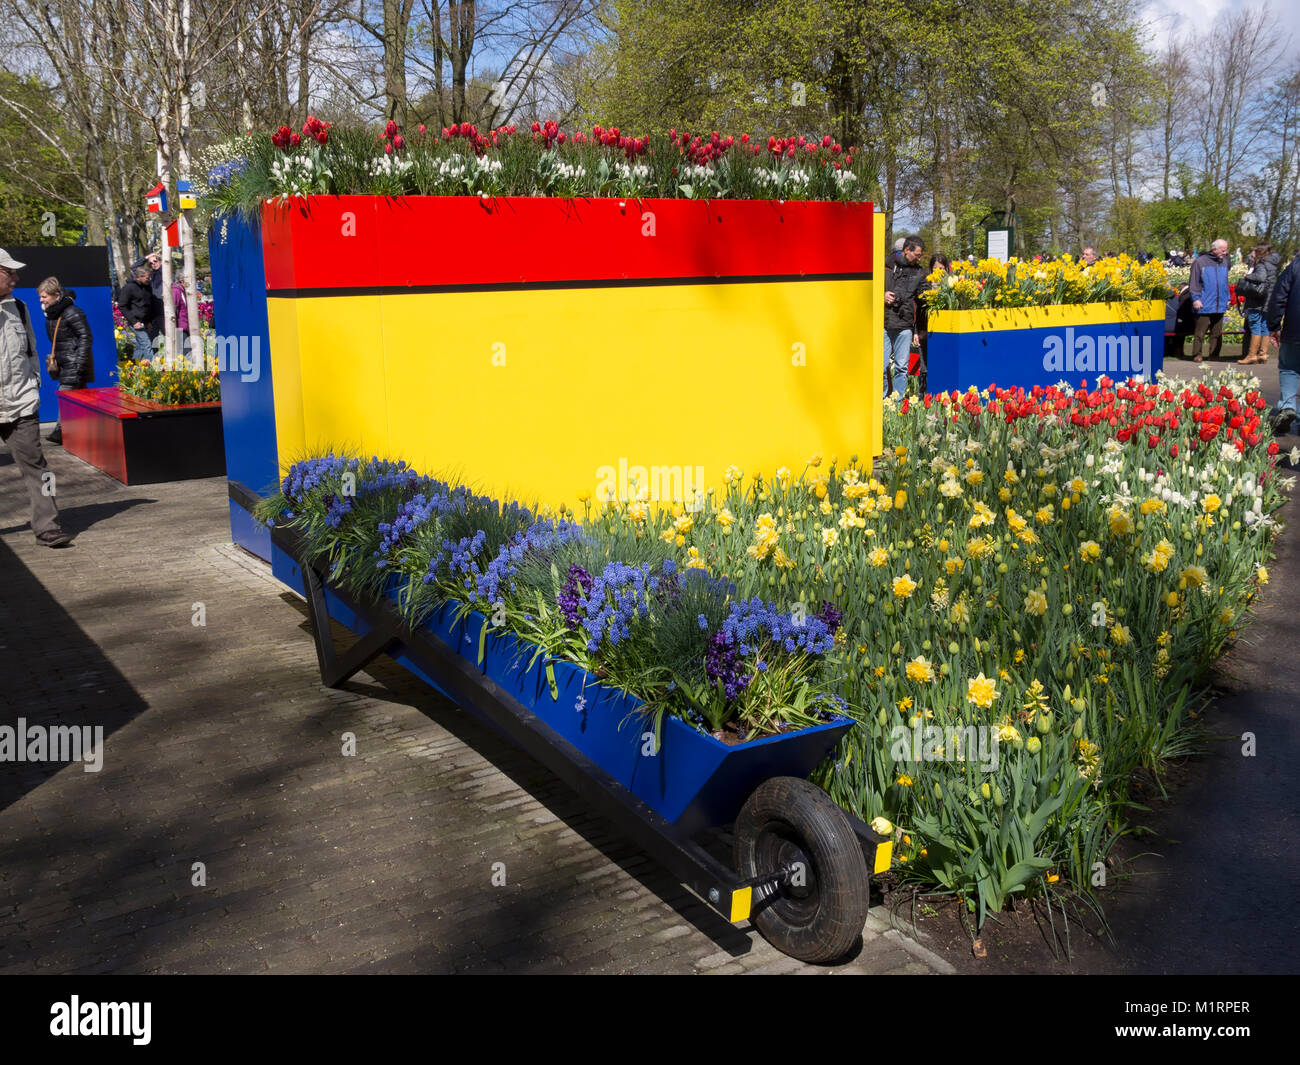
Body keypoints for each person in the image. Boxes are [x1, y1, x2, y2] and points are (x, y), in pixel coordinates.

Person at [0, 250, 71, 547]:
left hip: (20, 403)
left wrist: (33, 386)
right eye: (9, 272)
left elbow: (30, 351)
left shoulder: (19, 307)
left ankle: (48, 526)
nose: (16, 277)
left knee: (38, 468)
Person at [36, 278, 93, 445]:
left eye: (44, 296)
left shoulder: (72, 312)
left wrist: (80, 362)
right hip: (63, 363)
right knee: (79, 396)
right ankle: (86, 430)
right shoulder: (53, 314)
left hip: (73, 362)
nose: (41, 300)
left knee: (65, 395)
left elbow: (85, 337)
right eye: (40, 297)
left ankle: (60, 430)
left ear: (56, 295)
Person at [883, 236, 926, 399]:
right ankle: (884, 398)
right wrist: (882, 296)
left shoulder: (919, 272)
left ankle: (898, 400)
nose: (919, 258)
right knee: (882, 366)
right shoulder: (885, 267)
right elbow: (869, 288)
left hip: (905, 326)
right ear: (906, 250)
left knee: (902, 367)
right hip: (884, 324)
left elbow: (922, 298)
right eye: (917, 254)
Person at [1266, 249, 1300, 435]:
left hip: (1295, 329)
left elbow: (1278, 296)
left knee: (1289, 367)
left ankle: (1288, 406)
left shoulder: (1294, 266)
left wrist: (1274, 325)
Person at [1236, 243, 1280, 365]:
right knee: (1264, 326)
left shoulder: (1262, 264)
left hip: (1257, 300)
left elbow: (1260, 277)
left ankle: (1252, 355)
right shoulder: (1273, 264)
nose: (1252, 253)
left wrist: (1247, 276)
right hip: (1267, 299)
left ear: (1260, 252)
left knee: (1255, 325)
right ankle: (1263, 354)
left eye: (1254, 251)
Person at [1188, 239, 1231, 362]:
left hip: (1220, 303)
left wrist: (1227, 298)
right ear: (1215, 249)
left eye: (1226, 250)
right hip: (1204, 302)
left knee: (1217, 333)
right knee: (1200, 332)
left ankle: (1214, 354)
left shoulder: (1224, 262)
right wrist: (1195, 299)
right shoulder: (1200, 262)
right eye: (1223, 250)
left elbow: (1225, 283)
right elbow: (1194, 282)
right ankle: (1197, 354)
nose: (1225, 252)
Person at [915, 253, 952, 394]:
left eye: (941, 269)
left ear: (946, 269)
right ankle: (923, 396)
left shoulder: (951, 286)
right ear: (931, 269)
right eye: (935, 268)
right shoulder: (925, 285)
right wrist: (918, 331)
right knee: (924, 367)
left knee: (941, 365)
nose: (938, 272)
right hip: (926, 332)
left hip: (945, 333)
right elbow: (918, 310)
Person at [119, 265, 155, 362]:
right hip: (135, 321)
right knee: (146, 343)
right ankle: (153, 369)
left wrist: (149, 322)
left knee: (140, 346)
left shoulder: (147, 287)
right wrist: (134, 322)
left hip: (144, 321)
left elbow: (148, 306)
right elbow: (122, 305)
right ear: (139, 276)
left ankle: (133, 369)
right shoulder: (129, 288)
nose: (149, 279)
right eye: (147, 277)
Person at [172, 275, 191, 359]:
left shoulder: (182, 290)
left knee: (187, 351)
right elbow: (173, 308)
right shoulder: (176, 290)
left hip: (185, 325)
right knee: (184, 353)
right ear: (182, 281)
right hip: (180, 327)